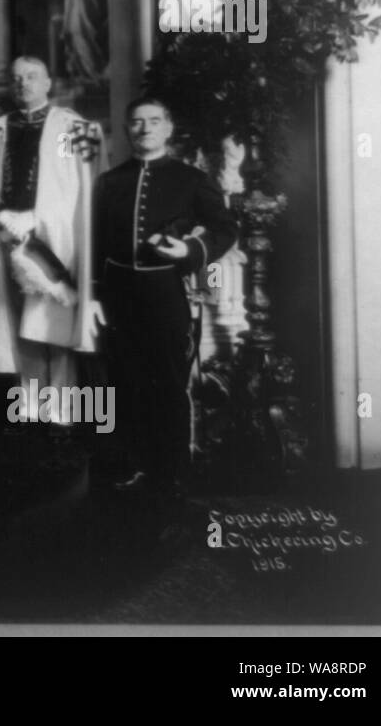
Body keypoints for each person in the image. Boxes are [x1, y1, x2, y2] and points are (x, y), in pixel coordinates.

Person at [90, 97, 237, 497]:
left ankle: (171, 470)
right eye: (136, 122)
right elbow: (96, 243)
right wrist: (92, 297)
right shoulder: (109, 182)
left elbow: (225, 229)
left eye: (154, 121)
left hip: (164, 291)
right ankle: (131, 464)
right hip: (118, 294)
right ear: (127, 129)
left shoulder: (190, 179)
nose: (145, 129)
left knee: (169, 382)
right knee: (122, 380)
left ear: (168, 128)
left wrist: (190, 252)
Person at [0, 56, 104, 420]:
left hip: (51, 238)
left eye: (32, 77)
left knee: (54, 324)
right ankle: (31, 410)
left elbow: (75, 187)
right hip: (2, 237)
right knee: (20, 326)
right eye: (17, 78)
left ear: (48, 82)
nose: (23, 84)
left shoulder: (71, 128)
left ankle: (62, 412)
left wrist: (37, 218)